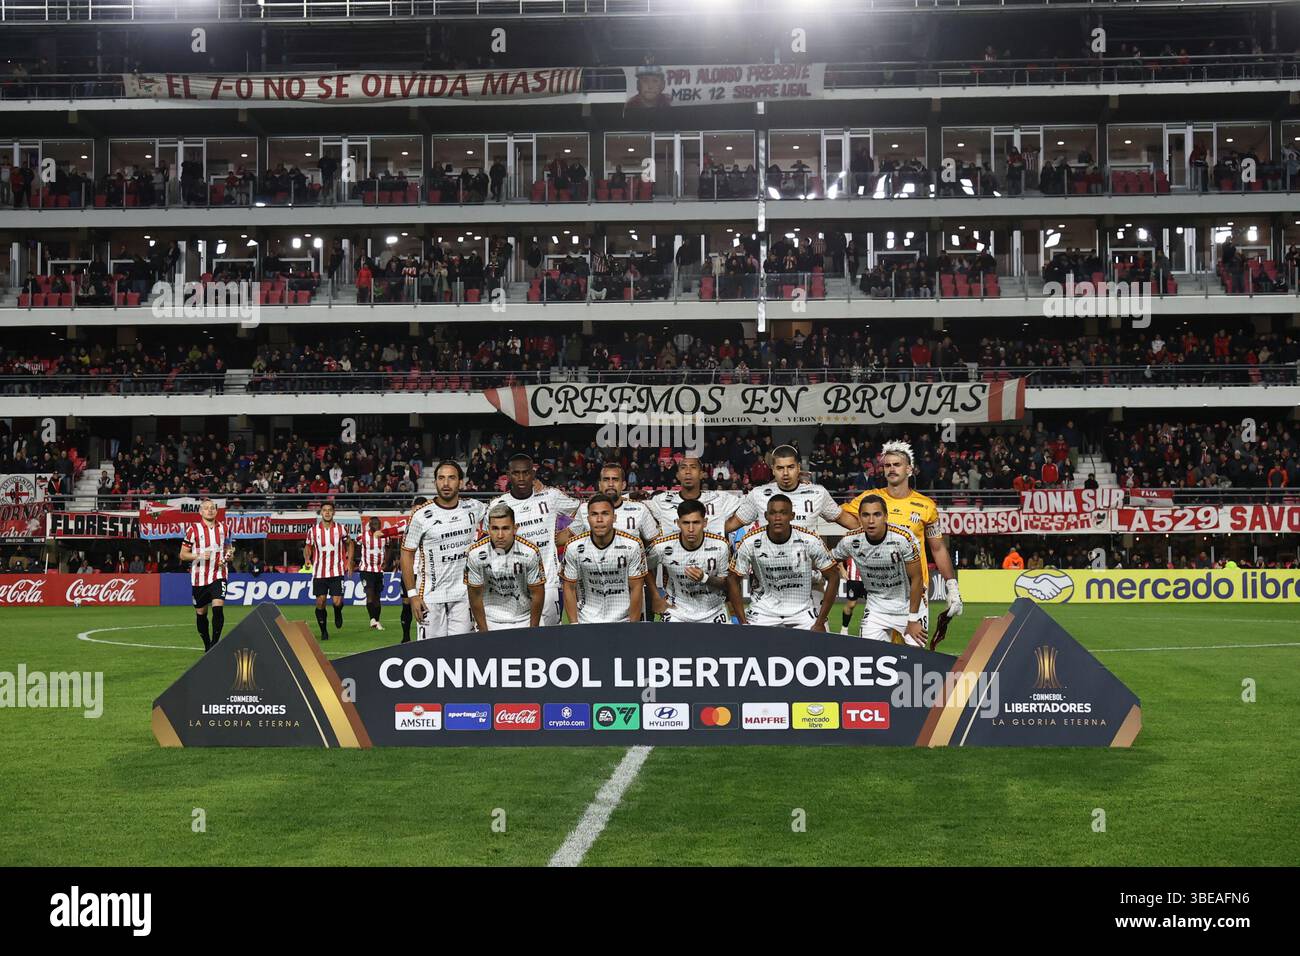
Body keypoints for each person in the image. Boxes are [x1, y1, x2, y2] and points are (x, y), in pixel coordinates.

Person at [840, 440, 964, 630]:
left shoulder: (926, 506)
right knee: (873, 657)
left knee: (912, 657)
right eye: (887, 465)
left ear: (909, 469)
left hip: (915, 592)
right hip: (879, 592)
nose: (891, 469)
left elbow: (937, 549)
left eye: (897, 464)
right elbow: (840, 515)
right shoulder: (869, 499)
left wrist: (952, 587)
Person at [481, 453, 580, 626]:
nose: (521, 478)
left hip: (548, 582)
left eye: (526, 473)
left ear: (533, 474)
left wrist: (570, 533)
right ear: (508, 475)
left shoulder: (550, 497)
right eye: (516, 473)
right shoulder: (498, 505)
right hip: (512, 585)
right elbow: (487, 542)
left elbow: (582, 509)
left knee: (549, 640)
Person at [401, 461, 487, 639]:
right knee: (430, 655)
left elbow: (502, 511)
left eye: (451, 478)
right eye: (441, 478)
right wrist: (412, 595)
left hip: (464, 596)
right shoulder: (420, 515)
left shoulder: (474, 507)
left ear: (461, 483)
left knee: (462, 653)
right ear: (435, 483)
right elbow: (406, 553)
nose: (446, 483)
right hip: (430, 598)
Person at [728, 494, 840, 630]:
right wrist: (742, 621)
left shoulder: (810, 540)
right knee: (748, 649)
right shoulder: (750, 542)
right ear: (765, 516)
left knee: (821, 646)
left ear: (792, 516)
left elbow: (833, 576)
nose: (777, 518)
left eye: (783, 513)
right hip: (763, 612)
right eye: (773, 513)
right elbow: (732, 579)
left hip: (802, 612)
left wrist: (820, 622)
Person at [832, 493, 926, 645]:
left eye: (877, 514)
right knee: (869, 657)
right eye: (866, 515)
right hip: (877, 609)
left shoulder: (903, 538)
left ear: (886, 517)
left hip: (908, 606)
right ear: (859, 518)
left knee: (915, 661)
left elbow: (917, 578)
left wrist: (913, 619)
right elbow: (828, 560)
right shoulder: (850, 541)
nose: (871, 521)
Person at [726, 443, 860, 535]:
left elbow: (846, 520)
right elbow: (733, 524)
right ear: (773, 470)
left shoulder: (818, 493)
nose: (785, 473)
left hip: (805, 569)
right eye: (780, 468)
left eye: (790, 467)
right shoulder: (758, 494)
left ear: (799, 468)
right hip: (770, 569)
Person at [561, 494, 648, 624]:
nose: (600, 519)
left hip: (623, 621)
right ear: (588, 519)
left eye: (605, 514)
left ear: (614, 518)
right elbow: (569, 588)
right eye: (594, 514)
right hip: (586, 621)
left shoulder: (632, 545)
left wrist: (633, 626)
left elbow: (636, 588)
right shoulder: (573, 547)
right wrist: (574, 625)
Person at [647, 499, 735, 624]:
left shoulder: (721, 545)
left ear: (705, 523)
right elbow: (643, 568)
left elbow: (727, 584)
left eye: (696, 522)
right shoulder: (661, 546)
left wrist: (705, 578)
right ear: (678, 523)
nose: (691, 528)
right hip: (677, 611)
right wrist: (656, 597)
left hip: (714, 611)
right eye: (686, 523)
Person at [465, 503, 546, 631]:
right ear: (488, 529)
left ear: (515, 529)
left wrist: (533, 629)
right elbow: (475, 596)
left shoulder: (530, 552)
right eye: (495, 528)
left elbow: (537, 594)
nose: (500, 535)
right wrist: (483, 630)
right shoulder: (475, 553)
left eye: (506, 528)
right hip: (490, 619)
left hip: (524, 617)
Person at [179, 498, 233, 652]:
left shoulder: (225, 528)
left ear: (216, 511)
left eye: (212, 508)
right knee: (201, 614)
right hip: (199, 577)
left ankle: (215, 645)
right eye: (206, 508)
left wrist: (228, 555)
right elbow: (182, 555)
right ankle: (207, 644)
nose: (210, 510)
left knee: (218, 608)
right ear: (201, 512)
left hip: (219, 573)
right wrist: (200, 555)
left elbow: (228, 548)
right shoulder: (193, 530)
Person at [648, 457, 743, 537]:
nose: (688, 471)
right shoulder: (660, 500)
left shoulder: (720, 498)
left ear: (702, 474)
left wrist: (722, 528)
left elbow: (748, 508)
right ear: (677, 475)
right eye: (683, 468)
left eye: (693, 467)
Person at [304, 501, 353, 641]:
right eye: (324, 510)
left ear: (334, 512)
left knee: (337, 602)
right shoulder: (313, 531)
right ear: (321, 512)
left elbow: (350, 544)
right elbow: (308, 547)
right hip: (319, 572)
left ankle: (338, 612)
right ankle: (324, 631)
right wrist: (307, 558)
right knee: (321, 601)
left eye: (329, 510)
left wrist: (349, 562)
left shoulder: (341, 529)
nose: (327, 512)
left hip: (337, 571)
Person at [357, 515, 389, 632]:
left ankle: (377, 620)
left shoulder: (385, 536)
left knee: (377, 597)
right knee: (369, 594)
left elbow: (389, 548)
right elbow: (356, 547)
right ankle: (372, 619)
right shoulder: (363, 536)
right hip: (366, 570)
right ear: (369, 525)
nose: (376, 526)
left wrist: (386, 562)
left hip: (378, 571)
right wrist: (356, 561)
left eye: (378, 524)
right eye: (374, 524)